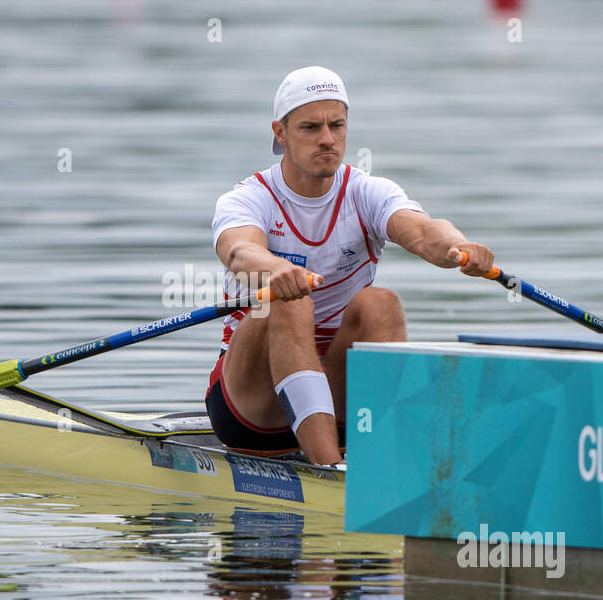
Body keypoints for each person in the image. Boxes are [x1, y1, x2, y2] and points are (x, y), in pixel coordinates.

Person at [205, 66, 495, 466]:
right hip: (253, 407)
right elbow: (239, 252)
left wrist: (458, 247)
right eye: (310, 127)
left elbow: (424, 231)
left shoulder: (367, 192)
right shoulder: (248, 198)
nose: (327, 139)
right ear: (280, 133)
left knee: (381, 303)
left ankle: (387, 457)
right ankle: (332, 471)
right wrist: (275, 270)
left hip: (337, 391)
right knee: (289, 302)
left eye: (336, 125)